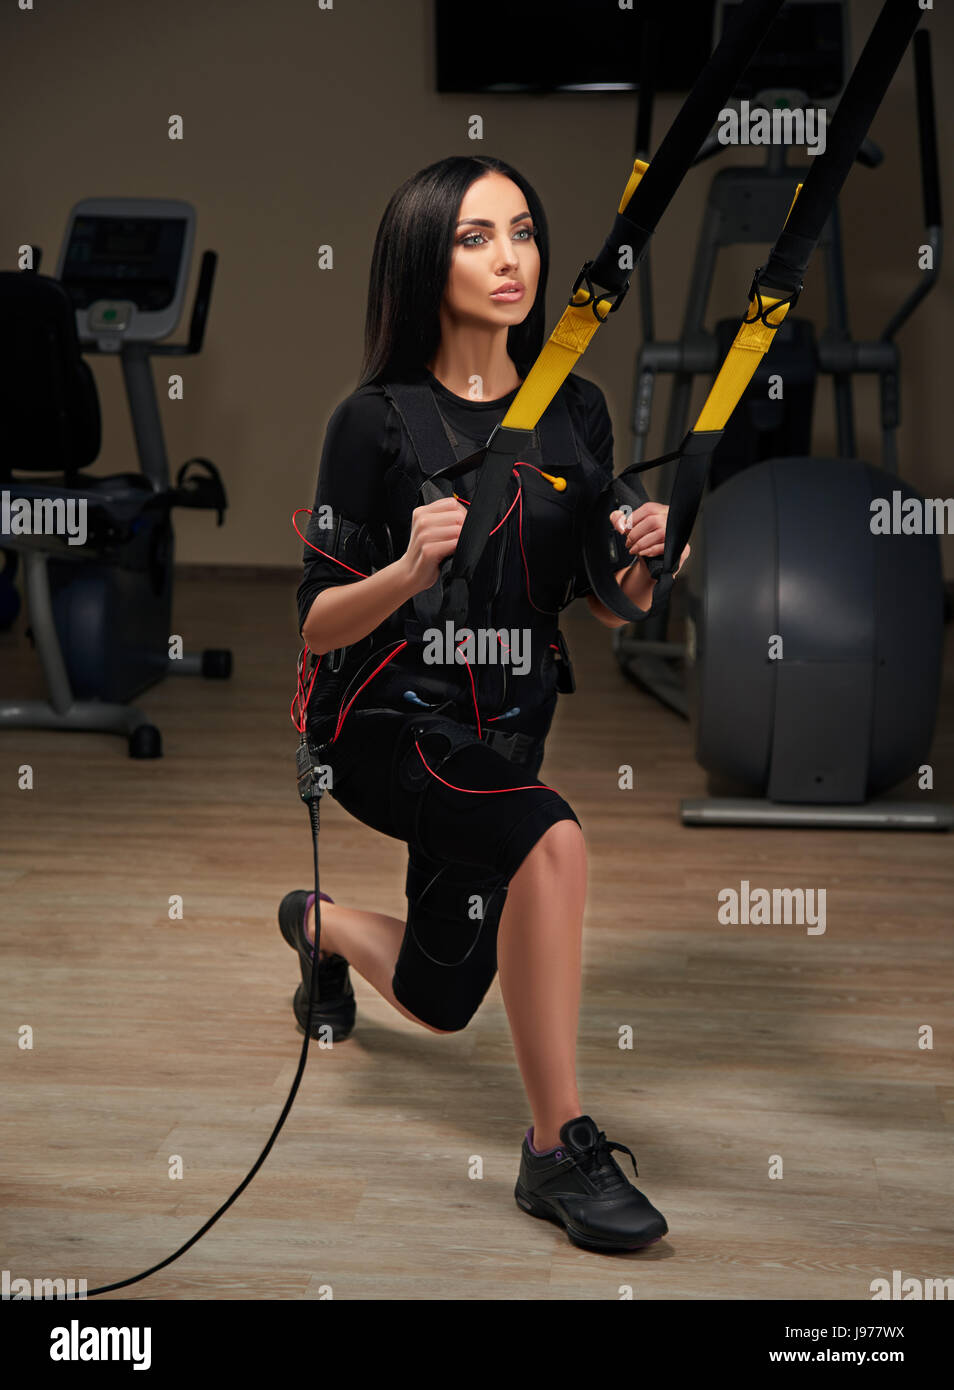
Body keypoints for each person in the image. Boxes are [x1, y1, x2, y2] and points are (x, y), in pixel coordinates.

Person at [280, 155, 688, 1253]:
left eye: (522, 232)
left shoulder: (577, 412)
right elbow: (317, 624)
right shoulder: (372, 422)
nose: (509, 259)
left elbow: (611, 606)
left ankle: (310, 925)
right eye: (474, 237)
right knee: (549, 839)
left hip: (504, 727)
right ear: (424, 260)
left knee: (441, 994)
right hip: (387, 723)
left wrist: (651, 555)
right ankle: (557, 1146)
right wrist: (405, 576)